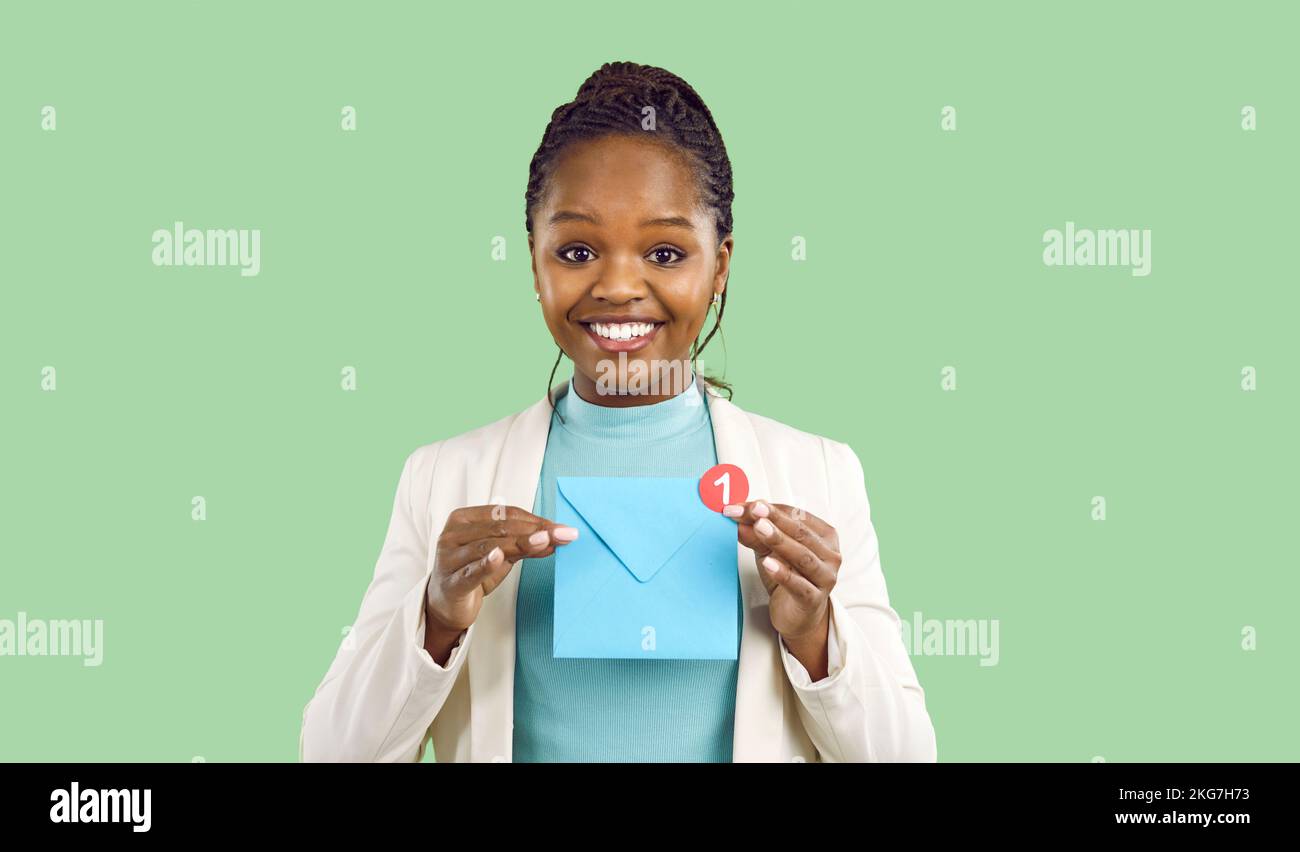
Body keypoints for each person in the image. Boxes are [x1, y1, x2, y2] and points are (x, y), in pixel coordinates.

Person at [300, 61, 936, 762]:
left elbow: (905, 755)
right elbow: (333, 752)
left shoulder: (820, 473)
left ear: (719, 267)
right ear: (534, 263)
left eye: (665, 252)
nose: (619, 286)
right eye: (577, 250)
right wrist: (438, 618)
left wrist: (816, 636)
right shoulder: (443, 478)